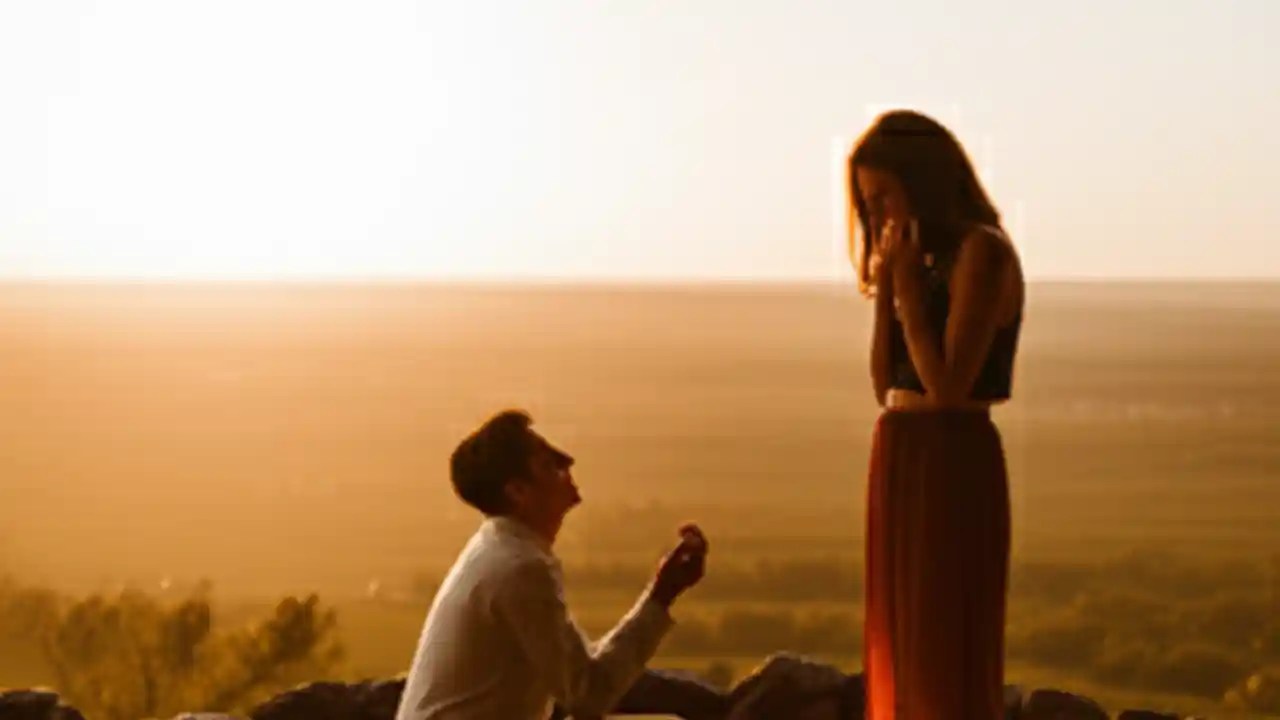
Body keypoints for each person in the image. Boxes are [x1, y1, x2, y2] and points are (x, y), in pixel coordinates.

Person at [847, 110, 1024, 719]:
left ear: (921, 181)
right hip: (899, 447)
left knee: (941, 630)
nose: (878, 216)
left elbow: (948, 385)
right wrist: (887, 293)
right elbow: (883, 383)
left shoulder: (983, 251)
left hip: (950, 452)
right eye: (867, 206)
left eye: (884, 196)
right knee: (899, 633)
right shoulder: (916, 264)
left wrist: (909, 298)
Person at [393, 409, 717, 720]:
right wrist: (663, 594)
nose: (569, 465)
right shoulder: (520, 568)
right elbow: (588, 694)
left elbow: (575, 676)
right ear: (518, 492)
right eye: (550, 464)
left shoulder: (498, 550)